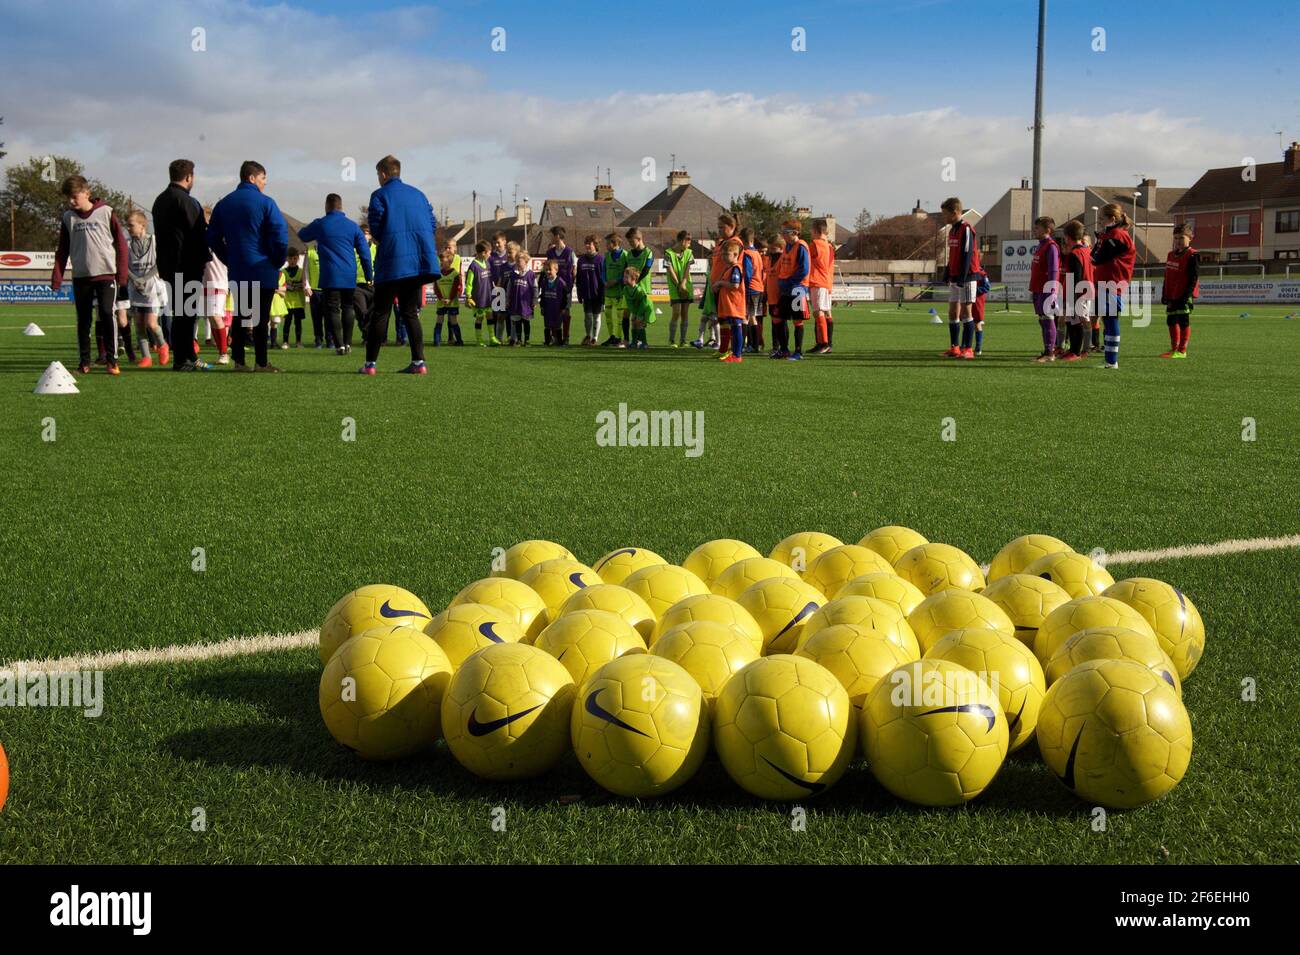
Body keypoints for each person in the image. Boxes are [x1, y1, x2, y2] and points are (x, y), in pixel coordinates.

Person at [206, 159, 289, 372]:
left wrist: (229, 258)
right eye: (263, 179)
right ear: (252, 177)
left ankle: (240, 362)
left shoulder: (224, 204)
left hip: (239, 269)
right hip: (263, 268)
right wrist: (277, 261)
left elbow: (213, 238)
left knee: (241, 315)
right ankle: (261, 362)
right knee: (260, 318)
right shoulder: (266, 202)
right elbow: (280, 236)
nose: (264, 184)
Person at [361, 155, 439, 374]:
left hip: (391, 262)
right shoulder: (419, 194)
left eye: (378, 174)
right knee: (410, 313)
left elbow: (375, 227)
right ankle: (419, 363)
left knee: (381, 312)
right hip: (416, 263)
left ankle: (370, 365)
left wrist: (386, 239)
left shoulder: (379, 195)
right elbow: (432, 223)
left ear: (384, 174)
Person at [51, 175, 129, 376]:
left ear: (87, 193)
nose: (71, 201)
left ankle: (112, 360)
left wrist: (121, 276)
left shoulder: (106, 212)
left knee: (106, 313)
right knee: (83, 320)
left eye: (74, 196)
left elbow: (121, 245)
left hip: (105, 275)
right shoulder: (68, 217)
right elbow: (62, 250)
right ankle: (84, 361)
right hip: (81, 277)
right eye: (68, 198)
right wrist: (57, 277)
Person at [150, 159, 211, 371]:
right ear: (188, 177)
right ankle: (182, 359)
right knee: (186, 314)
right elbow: (198, 233)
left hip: (168, 265)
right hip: (187, 263)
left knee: (182, 311)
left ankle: (189, 356)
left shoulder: (159, 200)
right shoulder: (187, 201)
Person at [297, 194, 373, 356]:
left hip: (330, 275)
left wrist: (317, 228)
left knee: (332, 310)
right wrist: (368, 275)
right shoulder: (352, 227)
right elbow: (365, 253)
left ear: (327, 206)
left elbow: (302, 234)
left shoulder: (321, 224)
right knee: (348, 307)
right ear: (341, 206)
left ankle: (339, 345)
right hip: (348, 275)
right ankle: (348, 343)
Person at [1090, 202, 1135, 370]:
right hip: (1107, 282)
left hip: (1113, 282)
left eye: (1102, 218)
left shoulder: (1117, 235)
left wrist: (1099, 242)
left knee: (1110, 319)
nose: (1099, 221)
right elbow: (1096, 256)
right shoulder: (1111, 234)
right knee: (1108, 320)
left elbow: (1097, 258)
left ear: (1113, 219)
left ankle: (1111, 360)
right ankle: (1109, 359)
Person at [125, 210, 171, 367]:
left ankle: (163, 345)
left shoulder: (154, 241)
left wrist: (144, 278)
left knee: (151, 323)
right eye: (127, 226)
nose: (128, 229)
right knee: (138, 325)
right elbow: (124, 265)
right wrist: (134, 279)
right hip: (135, 288)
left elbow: (160, 263)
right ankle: (146, 357)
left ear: (142, 225)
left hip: (152, 288)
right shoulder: (127, 244)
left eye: (131, 225)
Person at [940, 197, 981, 359]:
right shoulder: (952, 230)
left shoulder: (966, 229)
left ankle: (967, 349)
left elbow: (967, 253)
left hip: (967, 276)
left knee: (966, 311)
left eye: (945, 214)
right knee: (952, 312)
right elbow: (953, 255)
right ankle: (955, 347)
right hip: (955, 277)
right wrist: (947, 272)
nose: (944, 218)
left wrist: (963, 277)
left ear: (955, 212)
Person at [1161, 223, 1199, 359]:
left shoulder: (1192, 255)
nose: (1178, 241)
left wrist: (1187, 294)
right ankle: (1174, 349)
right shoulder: (1170, 254)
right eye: (1176, 238)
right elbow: (1167, 275)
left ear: (1190, 238)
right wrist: (1164, 293)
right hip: (1171, 293)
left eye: (1181, 238)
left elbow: (1193, 277)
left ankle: (1182, 350)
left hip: (1183, 294)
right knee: (1171, 321)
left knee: (1183, 321)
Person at [774, 219, 810, 360]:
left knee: (797, 320)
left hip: (797, 289)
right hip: (785, 289)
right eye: (781, 232)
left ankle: (798, 352)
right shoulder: (786, 247)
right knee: (778, 317)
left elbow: (804, 269)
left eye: (785, 232)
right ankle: (784, 350)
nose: (782, 235)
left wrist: (789, 281)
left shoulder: (801, 247)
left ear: (795, 233)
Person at [1060, 220, 1094, 362]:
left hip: (1078, 293)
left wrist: (1073, 297)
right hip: (1085, 291)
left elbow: (1076, 276)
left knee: (1075, 322)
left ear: (1067, 237)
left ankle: (1076, 351)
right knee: (1071, 321)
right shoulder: (1086, 250)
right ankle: (1074, 349)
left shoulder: (1075, 253)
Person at [1030, 216, 1061, 363]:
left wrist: (1052, 291)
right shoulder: (1040, 245)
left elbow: (1054, 270)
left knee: (1048, 319)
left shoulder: (1051, 246)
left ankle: (1050, 353)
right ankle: (1047, 350)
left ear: (1047, 230)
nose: (1034, 230)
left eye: (1037, 228)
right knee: (1042, 320)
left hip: (1046, 290)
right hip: (1037, 288)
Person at [714, 242, 746, 363]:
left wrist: (720, 283)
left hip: (735, 305)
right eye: (722, 254)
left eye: (727, 254)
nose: (723, 256)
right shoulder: (730, 268)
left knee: (737, 327)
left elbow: (735, 285)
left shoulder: (736, 268)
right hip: (729, 304)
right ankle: (733, 353)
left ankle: (737, 355)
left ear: (735, 254)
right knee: (733, 327)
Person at [546, 226, 578, 345]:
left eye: (552, 235)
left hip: (565, 289)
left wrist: (569, 284)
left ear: (557, 236)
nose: (550, 238)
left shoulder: (570, 252)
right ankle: (554, 337)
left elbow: (574, 270)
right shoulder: (550, 252)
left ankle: (566, 337)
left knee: (566, 311)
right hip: (553, 288)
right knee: (553, 311)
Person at [623, 228, 653, 348]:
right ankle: (629, 341)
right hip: (630, 290)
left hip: (642, 290)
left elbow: (646, 269)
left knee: (639, 319)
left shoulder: (648, 253)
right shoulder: (629, 253)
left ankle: (642, 342)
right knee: (627, 315)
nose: (630, 244)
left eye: (631, 242)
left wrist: (635, 282)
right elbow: (625, 269)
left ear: (639, 239)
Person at [808, 218, 835, 354]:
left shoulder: (815, 244)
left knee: (818, 311)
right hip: (826, 282)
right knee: (826, 312)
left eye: (811, 230)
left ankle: (823, 343)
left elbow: (804, 260)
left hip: (817, 281)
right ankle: (826, 343)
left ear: (816, 231)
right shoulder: (830, 246)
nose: (810, 233)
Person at [274, 248, 309, 348]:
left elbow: (304, 284)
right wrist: (289, 286)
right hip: (287, 302)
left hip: (299, 302)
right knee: (287, 323)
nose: (292, 261)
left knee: (298, 323)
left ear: (298, 258)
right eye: (290, 258)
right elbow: (281, 285)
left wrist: (295, 286)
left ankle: (298, 342)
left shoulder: (302, 272)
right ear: (287, 259)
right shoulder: (283, 272)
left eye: (294, 258)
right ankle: (285, 342)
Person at [664, 230, 694, 348]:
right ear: (683, 241)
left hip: (686, 286)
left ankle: (683, 340)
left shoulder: (689, 253)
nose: (689, 245)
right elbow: (670, 271)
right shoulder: (668, 253)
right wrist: (678, 286)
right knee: (676, 313)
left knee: (685, 314)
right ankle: (671, 340)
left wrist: (683, 285)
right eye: (689, 241)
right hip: (675, 287)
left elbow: (687, 270)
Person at [432, 241, 464, 346]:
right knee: (439, 321)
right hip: (441, 302)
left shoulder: (455, 274)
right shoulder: (438, 274)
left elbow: (455, 288)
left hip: (452, 302)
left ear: (449, 262)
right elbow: (436, 288)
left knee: (453, 321)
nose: (441, 263)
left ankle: (459, 341)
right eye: (441, 261)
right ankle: (436, 341)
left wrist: (449, 299)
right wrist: (441, 298)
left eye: (443, 261)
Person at [575, 234, 604, 346]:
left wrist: (602, 296)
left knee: (597, 316)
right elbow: (578, 278)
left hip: (597, 294)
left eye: (589, 243)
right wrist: (579, 292)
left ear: (595, 245)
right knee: (587, 316)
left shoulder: (601, 259)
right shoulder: (581, 260)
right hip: (586, 293)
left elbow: (602, 278)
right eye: (586, 243)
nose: (587, 245)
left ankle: (595, 338)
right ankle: (588, 335)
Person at [600, 232, 628, 347]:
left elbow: (628, 273)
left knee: (619, 316)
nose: (606, 245)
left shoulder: (625, 255)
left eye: (607, 243)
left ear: (614, 243)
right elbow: (602, 271)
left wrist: (617, 280)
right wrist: (605, 282)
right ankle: (611, 336)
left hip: (620, 292)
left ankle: (619, 337)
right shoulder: (606, 256)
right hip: (608, 292)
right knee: (607, 315)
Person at [505, 250, 537, 345]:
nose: (518, 263)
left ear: (526, 262)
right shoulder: (513, 274)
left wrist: (535, 300)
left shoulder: (531, 274)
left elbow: (535, 288)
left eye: (520, 261)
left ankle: (527, 340)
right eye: (517, 261)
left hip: (526, 303)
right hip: (515, 302)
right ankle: (518, 340)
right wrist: (507, 300)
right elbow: (509, 288)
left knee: (526, 321)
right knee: (517, 321)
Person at [742, 230, 766, 353]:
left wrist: (744, 288)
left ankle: (744, 346)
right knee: (754, 317)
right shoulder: (757, 254)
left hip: (750, 289)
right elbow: (762, 272)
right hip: (759, 288)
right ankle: (754, 345)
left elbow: (748, 274)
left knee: (747, 317)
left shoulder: (747, 254)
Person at [465, 241, 492, 346]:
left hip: (488, 297)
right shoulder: (473, 266)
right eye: (489, 253)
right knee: (480, 318)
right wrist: (468, 296)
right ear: (484, 253)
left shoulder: (487, 263)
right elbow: (469, 283)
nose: (490, 255)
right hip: (479, 298)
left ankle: (492, 337)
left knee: (490, 316)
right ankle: (479, 339)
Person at [538, 258, 569, 345]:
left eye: (550, 269)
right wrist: (542, 307)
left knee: (557, 325)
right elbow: (542, 296)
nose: (548, 271)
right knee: (547, 325)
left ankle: (559, 341)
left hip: (557, 309)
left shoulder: (561, 283)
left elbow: (565, 297)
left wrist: (563, 308)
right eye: (546, 270)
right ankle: (547, 341)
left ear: (556, 270)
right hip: (548, 308)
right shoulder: (544, 282)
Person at [488, 231, 511, 346]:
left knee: (509, 315)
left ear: (504, 241)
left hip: (509, 290)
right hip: (496, 290)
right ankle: (498, 338)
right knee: (497, 314)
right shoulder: (491, 256)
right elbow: (489, 272)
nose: (496, 245)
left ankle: (510, 337)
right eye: (494, 243)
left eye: (498, 242)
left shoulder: (510, 255)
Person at [622, 266, 654, 350]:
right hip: (636, 309)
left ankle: (644, 343)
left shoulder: (640, 290)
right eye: (624, 276)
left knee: (639, 324)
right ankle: (634, 342)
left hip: (644, 308)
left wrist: (639, 315)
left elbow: (644, 303)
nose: (623, 278)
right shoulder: (625, 289)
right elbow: (629, 303)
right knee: (633, 323)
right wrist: (634, 313)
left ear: (633, 278)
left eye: (626, 277)